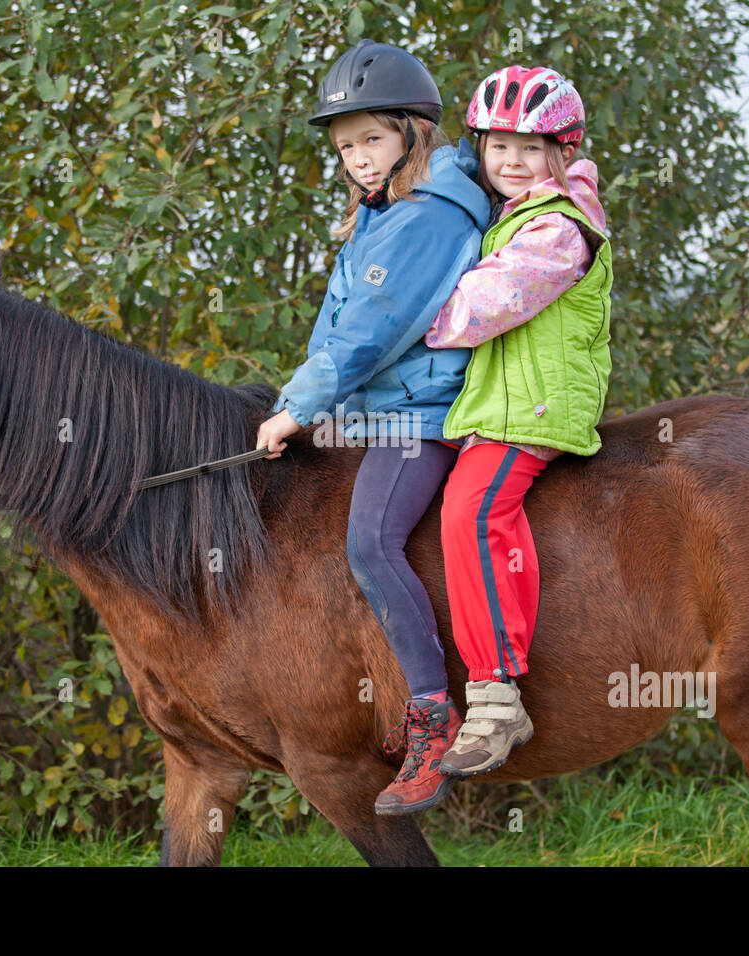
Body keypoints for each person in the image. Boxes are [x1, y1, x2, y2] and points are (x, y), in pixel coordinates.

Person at [254, 40, 490, 814]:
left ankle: (432, 713)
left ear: (414, 133)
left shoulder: (423, 216)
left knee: (369, 542)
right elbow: (336, 329)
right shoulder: (382, 214)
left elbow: (367, 331)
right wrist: (307, 404)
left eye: (372, 140)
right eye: (346, 146)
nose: (358, 158)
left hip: (414, 417)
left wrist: (297, 407)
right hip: (372, 412)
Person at [423, 65, 614, 778]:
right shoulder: (520, 212)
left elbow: (481, 308)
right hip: (502, 400)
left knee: (473, 509)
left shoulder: (557, 229)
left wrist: (403, 319)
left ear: (562, 154)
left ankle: (497, 698)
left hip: (531, 408)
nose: (510, 161)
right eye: (497, 146)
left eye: (530, 149)